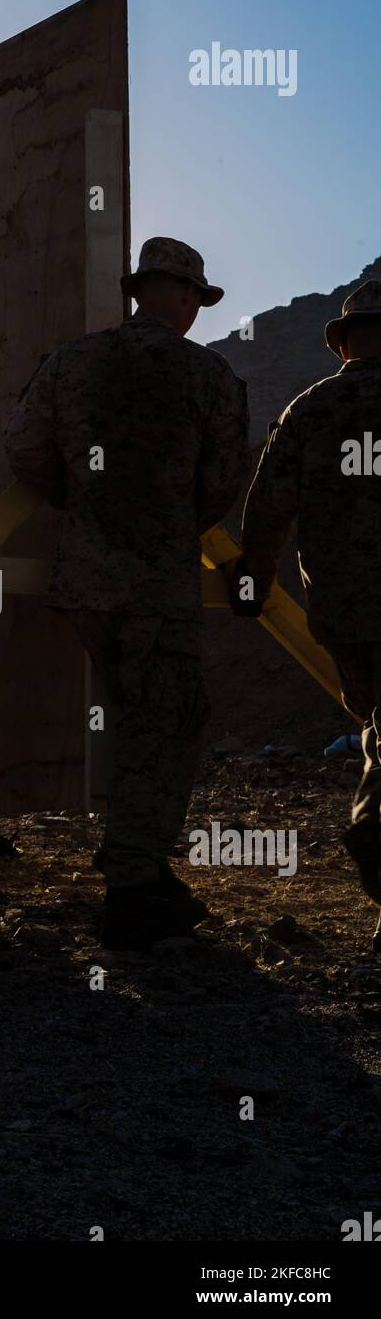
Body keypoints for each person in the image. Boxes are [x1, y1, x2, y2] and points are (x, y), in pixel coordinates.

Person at [4, 237, 250, 949]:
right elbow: (224, 479)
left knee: (135, 714)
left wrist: (85, 503)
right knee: (167, 720)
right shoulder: (207, 375)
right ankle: (136, 886)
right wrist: (168, 517)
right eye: (196, 301)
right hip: (157, 582)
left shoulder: (70, 361)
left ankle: (129, 855)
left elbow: (21, 448)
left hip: (85, 580)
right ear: (179, 295)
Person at [232, 279, 381, 907]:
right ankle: (375, 830)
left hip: (346, 612)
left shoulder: (310, 408)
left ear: (344, 345)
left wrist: (254, 578)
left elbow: (268, 507)